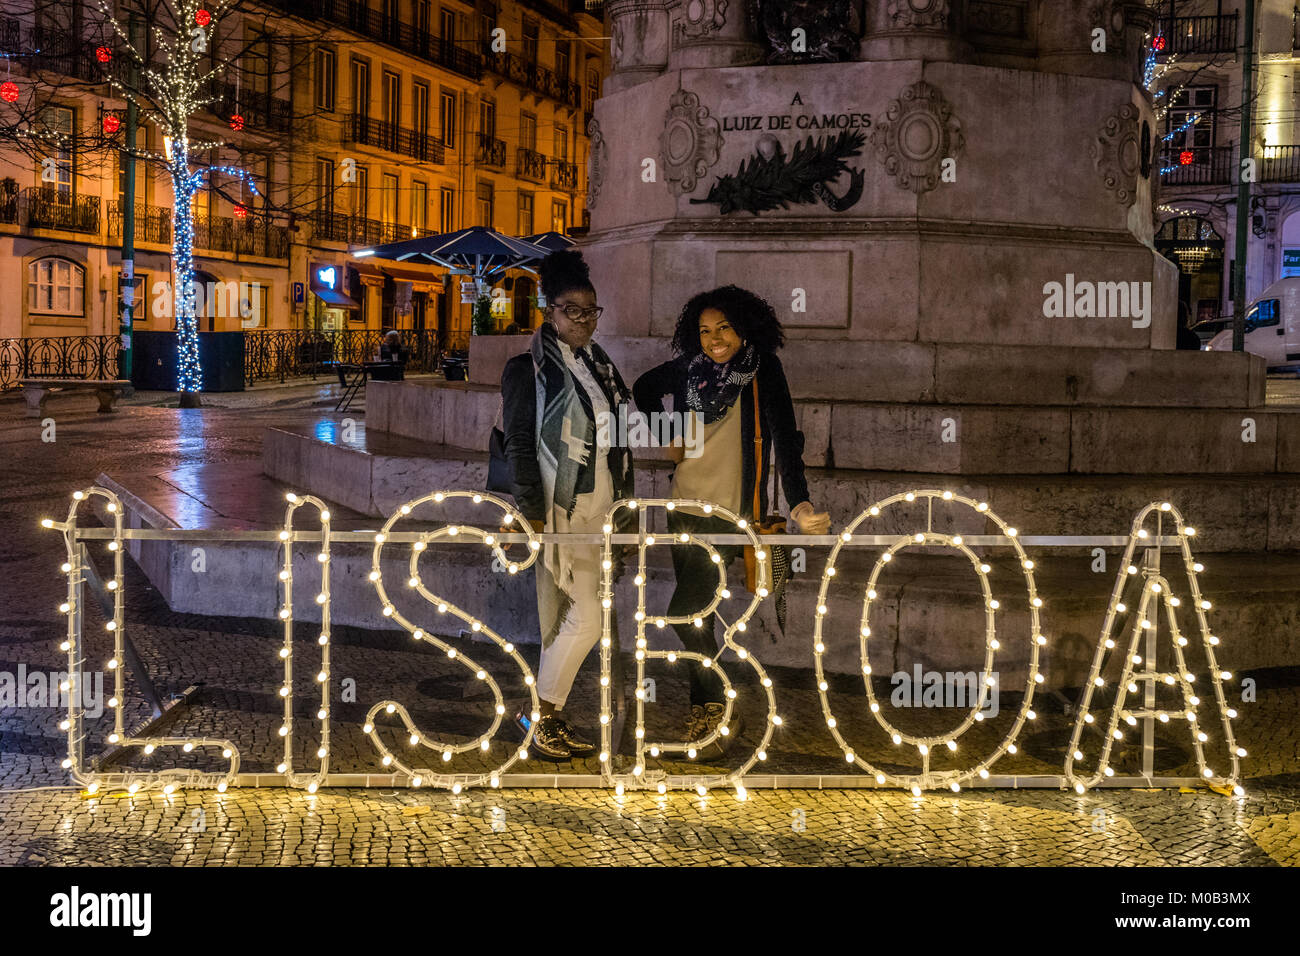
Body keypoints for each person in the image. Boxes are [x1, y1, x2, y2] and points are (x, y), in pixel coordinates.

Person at [633, 285, 831, 757]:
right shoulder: (689, 371)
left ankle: (719, 706)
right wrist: (666, 430)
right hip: (683, 507)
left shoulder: (763, 371)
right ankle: (708, 710)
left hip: (731, 515)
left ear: (744, 327)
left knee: (685, 613)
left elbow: (785, 438)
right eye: (704, 330)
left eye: (723, 327)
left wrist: (800, 502)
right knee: (696, 616)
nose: (714, 337)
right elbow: (641, 388)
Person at [499, 249, 635, 759]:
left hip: (604, 506)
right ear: (548, 310)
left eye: (591, 310)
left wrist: (627, 513)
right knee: (587, 618)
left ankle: (543, 718)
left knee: (576, 617)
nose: (582, 320)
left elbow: (620, 438)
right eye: (571, 309)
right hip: (562, 509)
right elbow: (518, 445)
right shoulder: (525, 370)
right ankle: (542, 714)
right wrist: (531, 514)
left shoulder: (602, 368)